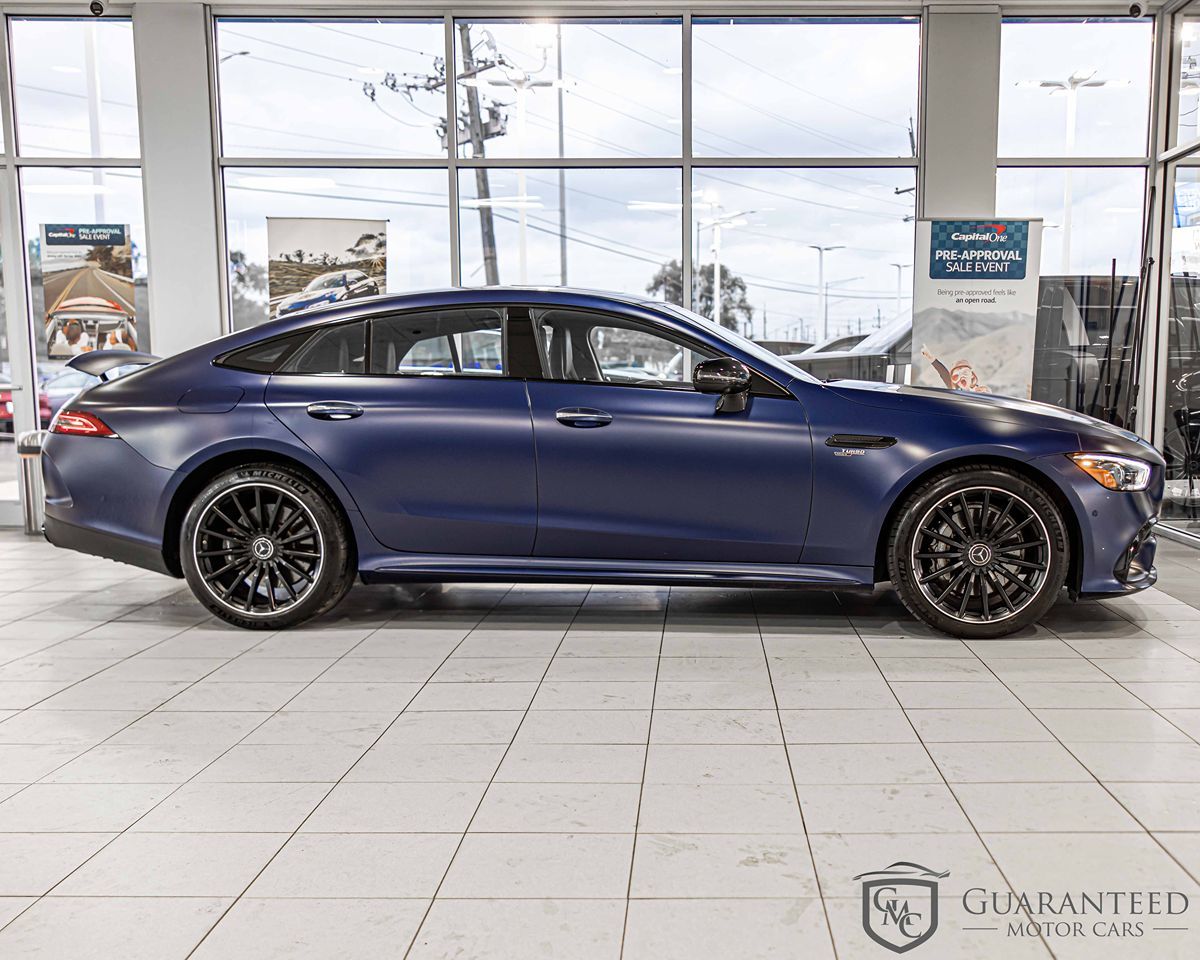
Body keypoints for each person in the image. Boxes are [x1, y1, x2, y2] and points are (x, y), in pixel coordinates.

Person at [919, 344, 991, 394]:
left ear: (972, 375)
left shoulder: (981, 390)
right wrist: (930, 358)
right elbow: (944, 373)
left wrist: (984, 393)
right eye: (956, 377)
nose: (961, 377)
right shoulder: (957, 392)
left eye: (965, 372)